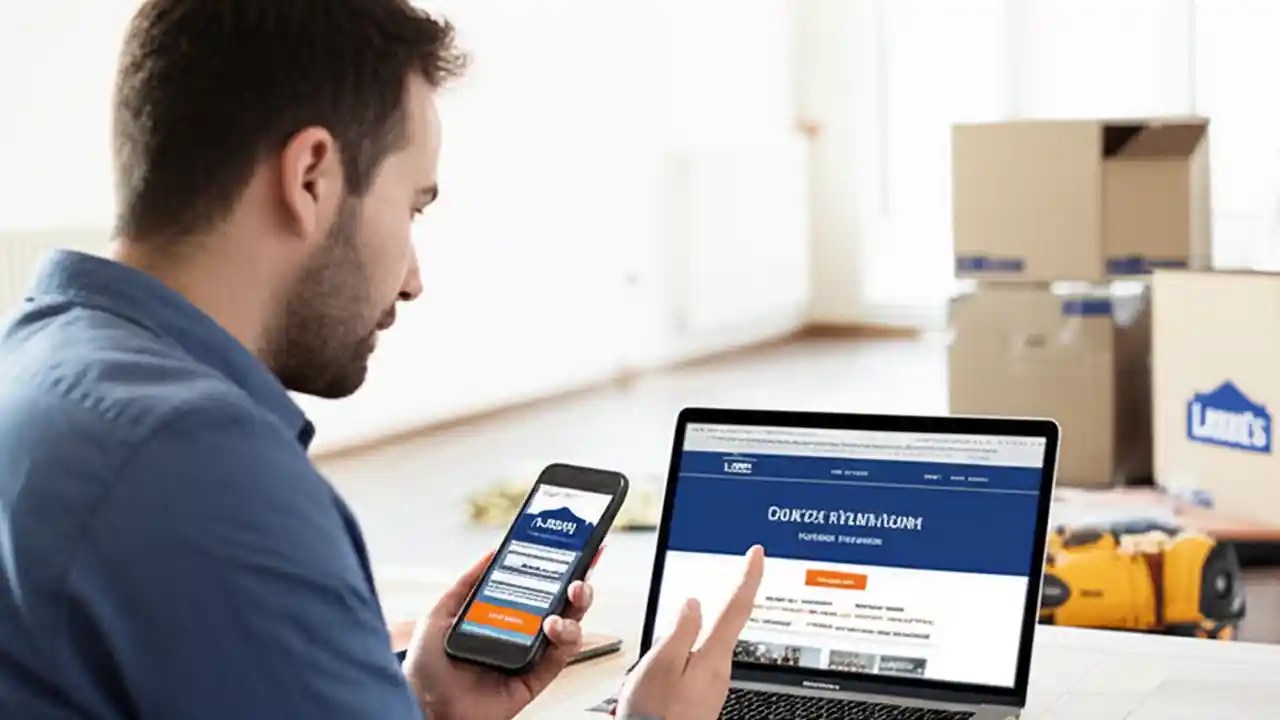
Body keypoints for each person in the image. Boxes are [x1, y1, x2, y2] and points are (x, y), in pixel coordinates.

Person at [0, 1, 764, 718]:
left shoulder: (35, 364)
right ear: (311, 177)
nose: (413, 278)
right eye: (412, 207)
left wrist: (419, 703)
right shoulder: (203, 466)